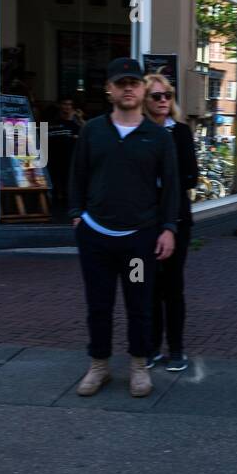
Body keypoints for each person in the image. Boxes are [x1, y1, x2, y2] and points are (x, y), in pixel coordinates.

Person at [68, 57, 179, 398]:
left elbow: (172, 187)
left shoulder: (157, 137)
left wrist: (168, 228)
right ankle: (98, 365)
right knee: (99, 305)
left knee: (138, 304)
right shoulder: (93, 132)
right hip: (97, 238)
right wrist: (76, 215)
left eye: (134, 82)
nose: (128, 88)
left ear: (143, 88)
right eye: (121, 83)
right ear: (109, 90)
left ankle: (138, 366)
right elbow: (77, 177)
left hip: (137, 241)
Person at [142, 71, 198, 373]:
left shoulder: (180, 132)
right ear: (144, 100)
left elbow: (190, 175)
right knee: (148, 287)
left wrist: (160, 182)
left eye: (168, 96)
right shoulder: (137, 130)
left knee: (172, 287)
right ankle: (150, 347)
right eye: (157, 96)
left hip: (177, 220)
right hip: (143, 222)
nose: (164, 101)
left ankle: (176, 349)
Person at [45, 96, 83, 214]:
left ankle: (68, 206)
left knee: (68, 183)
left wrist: (80, 118)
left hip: (70, 158)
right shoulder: (52, 121)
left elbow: (86, 134)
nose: (66, 107)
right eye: (64, 104)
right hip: (52, 158)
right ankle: (54, 205)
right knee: (54, 183)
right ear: (59, 106)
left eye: (69, 104)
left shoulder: (76, 124)